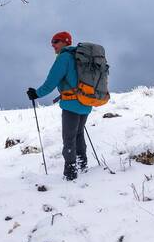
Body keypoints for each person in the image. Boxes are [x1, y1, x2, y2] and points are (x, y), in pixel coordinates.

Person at [26, 31, 106, 180]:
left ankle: (70, 171)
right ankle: (82, 165)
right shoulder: (79, 57)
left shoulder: (64, 58)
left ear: (65, 42)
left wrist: (36, 94)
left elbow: (52, 81)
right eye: (52, 42)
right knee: (79, 134)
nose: (53, 45)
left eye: (56, 41)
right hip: (86, 102)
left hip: (71, 103)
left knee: (69, 138)